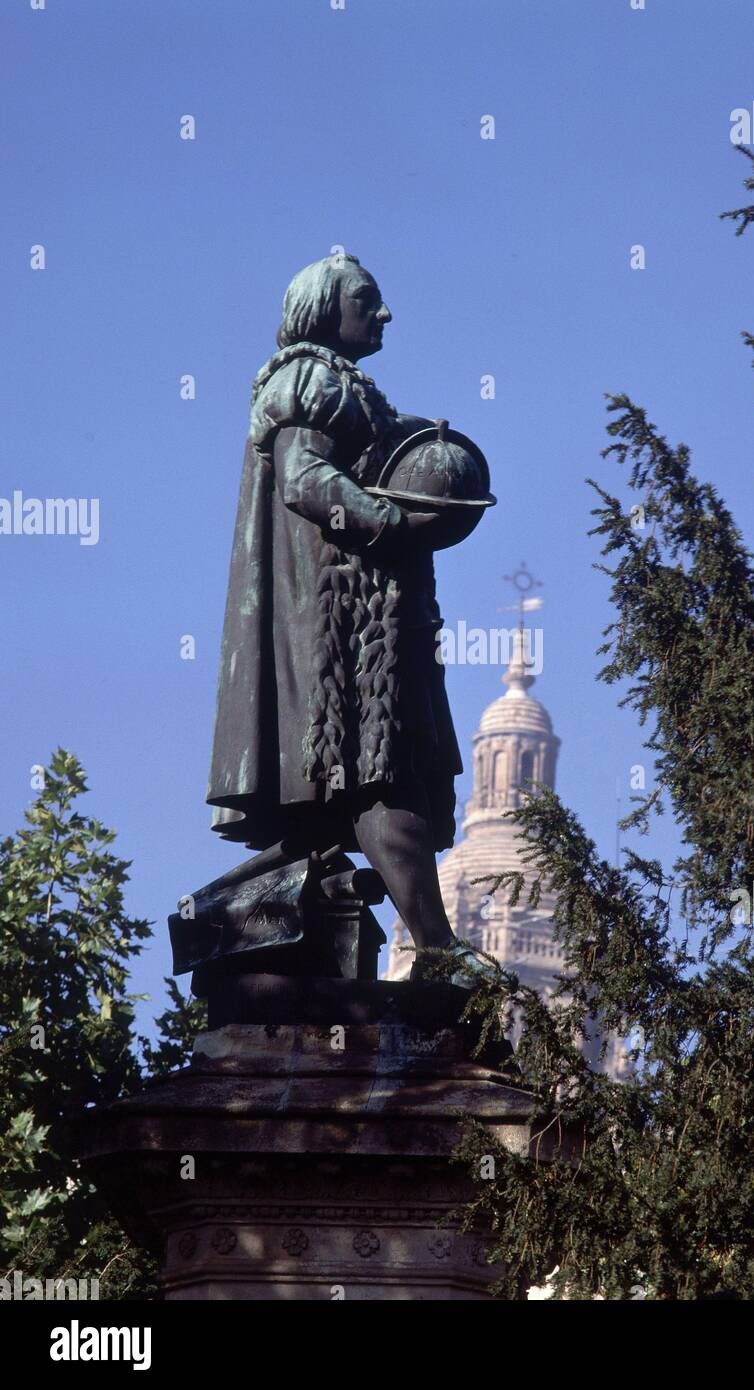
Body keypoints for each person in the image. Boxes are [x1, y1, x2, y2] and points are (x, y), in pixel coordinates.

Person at [207, 253, 477, 980]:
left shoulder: (350, 388)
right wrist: (394, 519)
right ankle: (439, 953)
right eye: (368, 300)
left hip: (356, 619)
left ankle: (310, 922)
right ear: (325, 309)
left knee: (349, 785)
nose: (383, 314)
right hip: (337, 629)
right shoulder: (310, 378)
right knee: (379, 775)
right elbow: (304, 480)